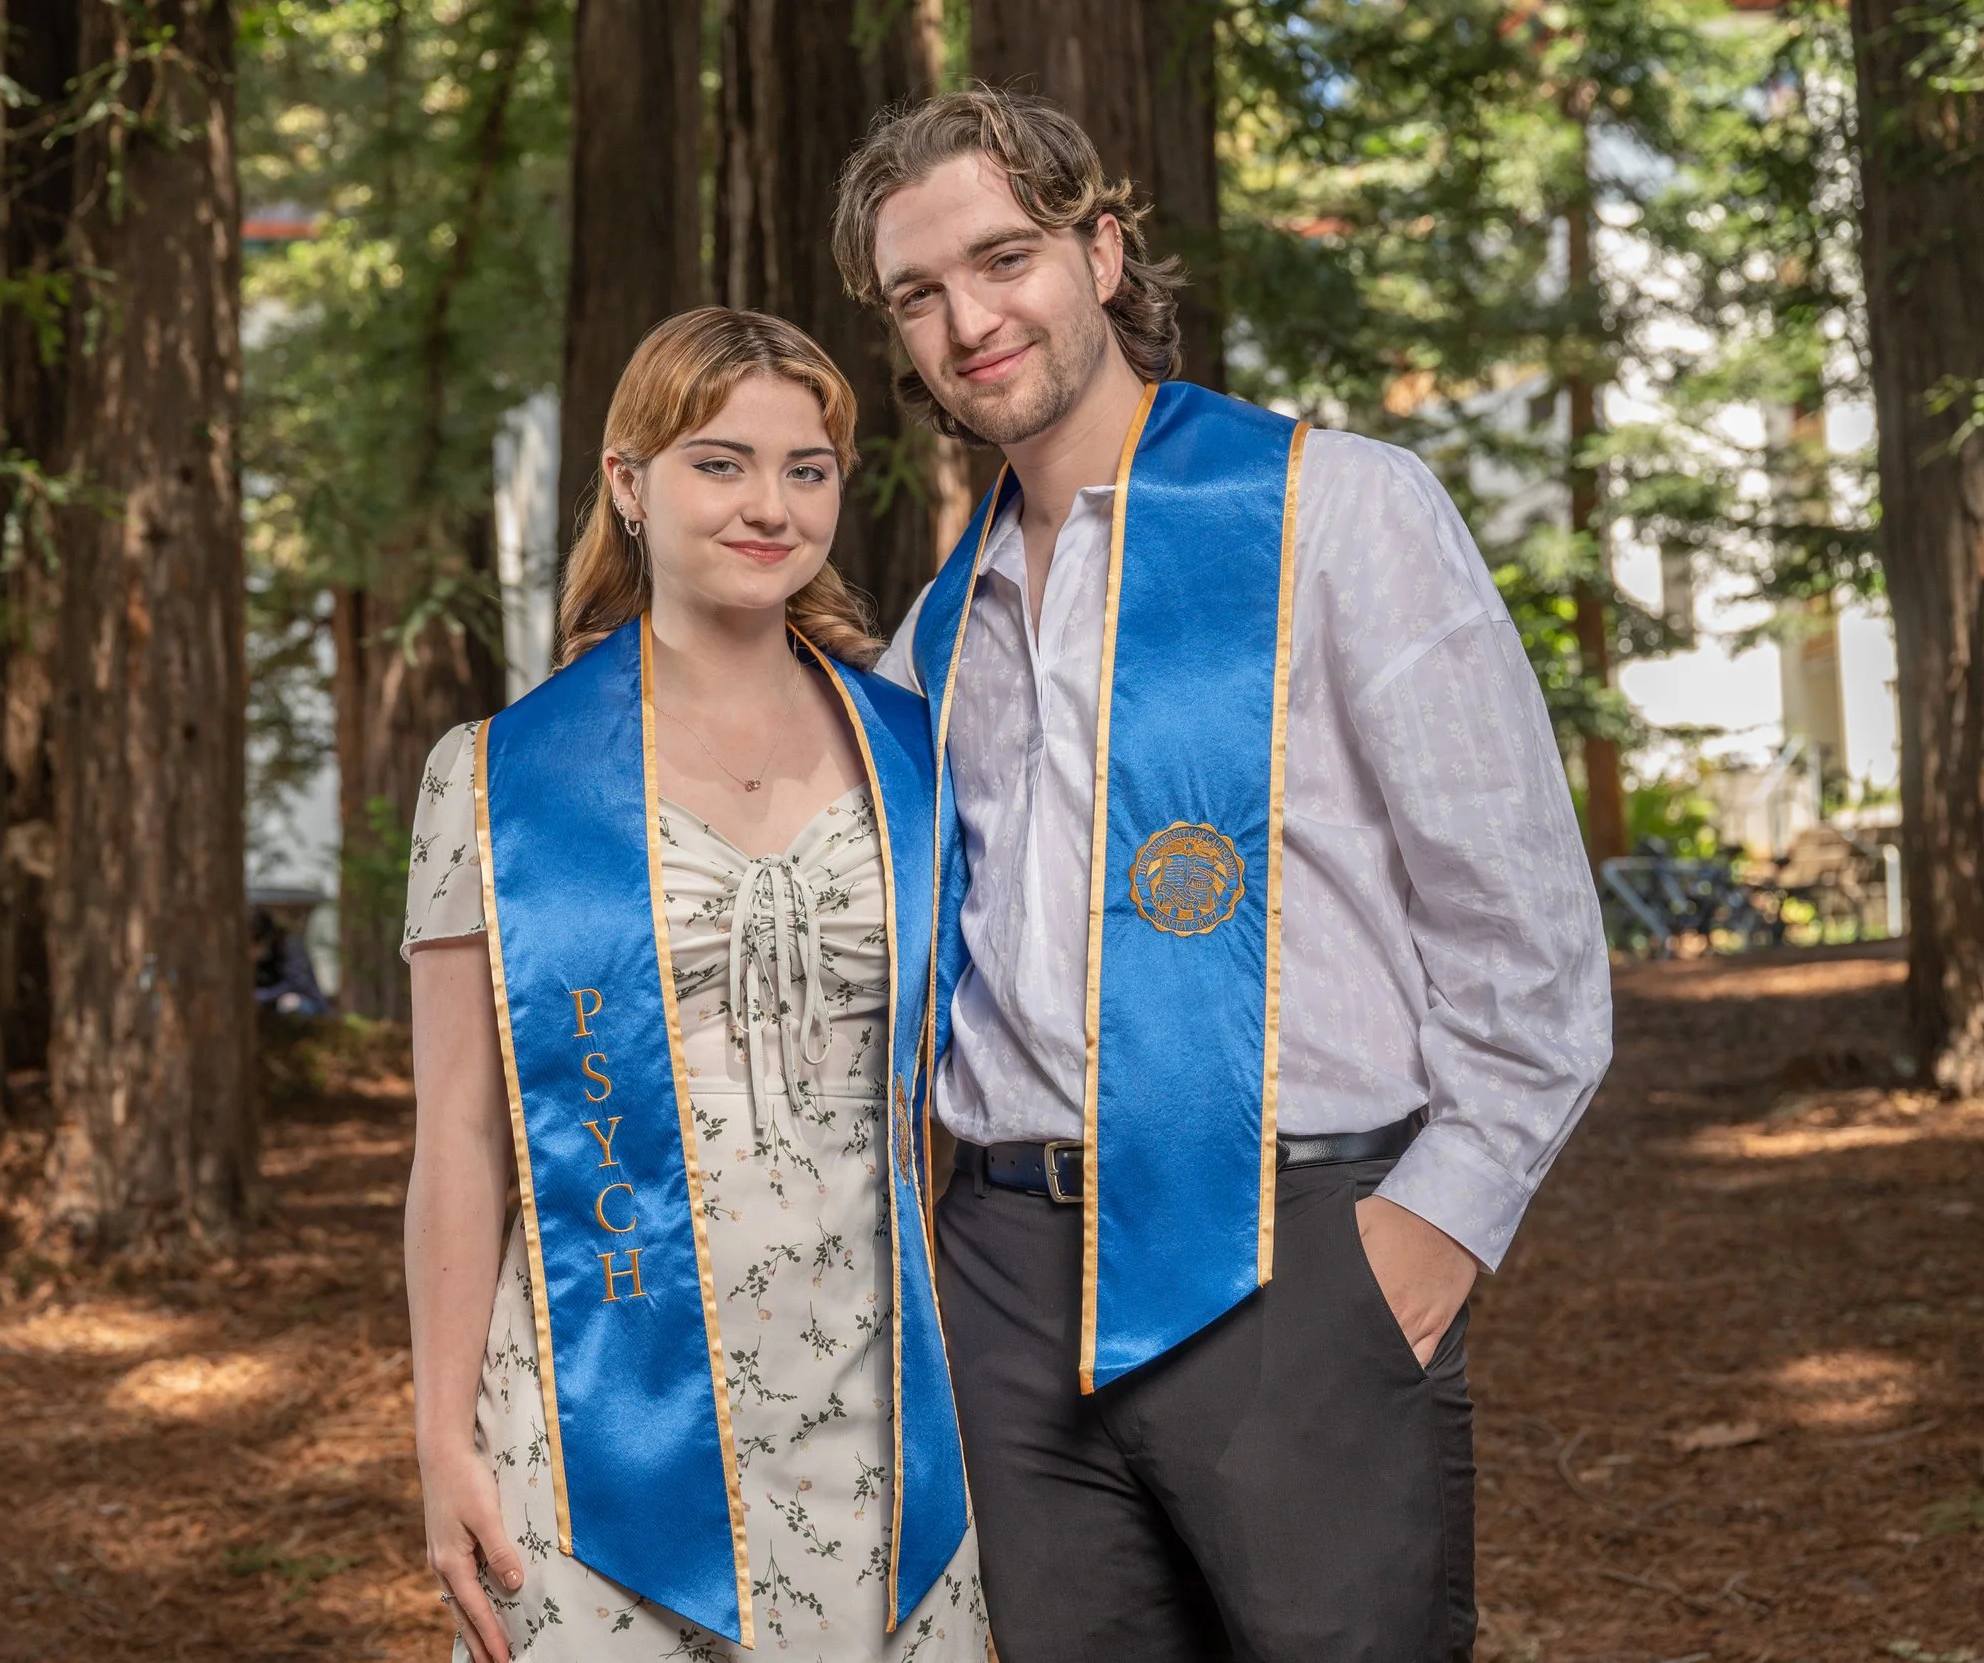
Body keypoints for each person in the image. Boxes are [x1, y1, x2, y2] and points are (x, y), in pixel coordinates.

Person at [831, 90, 1614, 1661]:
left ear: (1104, 252)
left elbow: (1525, 936)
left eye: (1004, 257)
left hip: (1292, 1256)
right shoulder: (938, 627)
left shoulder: (1341, 511)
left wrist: (1427, 1235)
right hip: (1005, 1283)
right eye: (919, 294)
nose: (968, 319)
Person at [397, 307, 987, 1663]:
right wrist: (441, 1442)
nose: (769, 506)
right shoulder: (497, 782)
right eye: (720, 463)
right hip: (599, 1413)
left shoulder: (917, 753)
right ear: (627, 481)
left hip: (876, 1408)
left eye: (807, 467)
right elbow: (460, 1139)